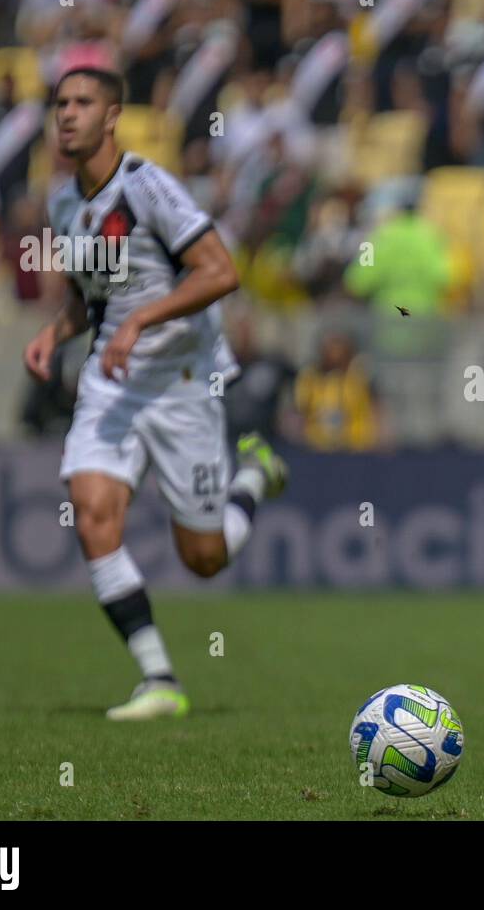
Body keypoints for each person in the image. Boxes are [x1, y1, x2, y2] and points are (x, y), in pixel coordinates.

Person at [22, 66, 289, 721]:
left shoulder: (148, 188)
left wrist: (141, 321)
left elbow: (220, 272)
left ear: (113, 116)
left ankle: (253, 478)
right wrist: (55, 334)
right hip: (112, 385)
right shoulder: (61, 205)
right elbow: (93, 300)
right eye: (61, 104)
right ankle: (159, 679)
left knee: (203, 558)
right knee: (91, 512)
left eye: (83, 103)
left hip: (181, 384)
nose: (68, 115)